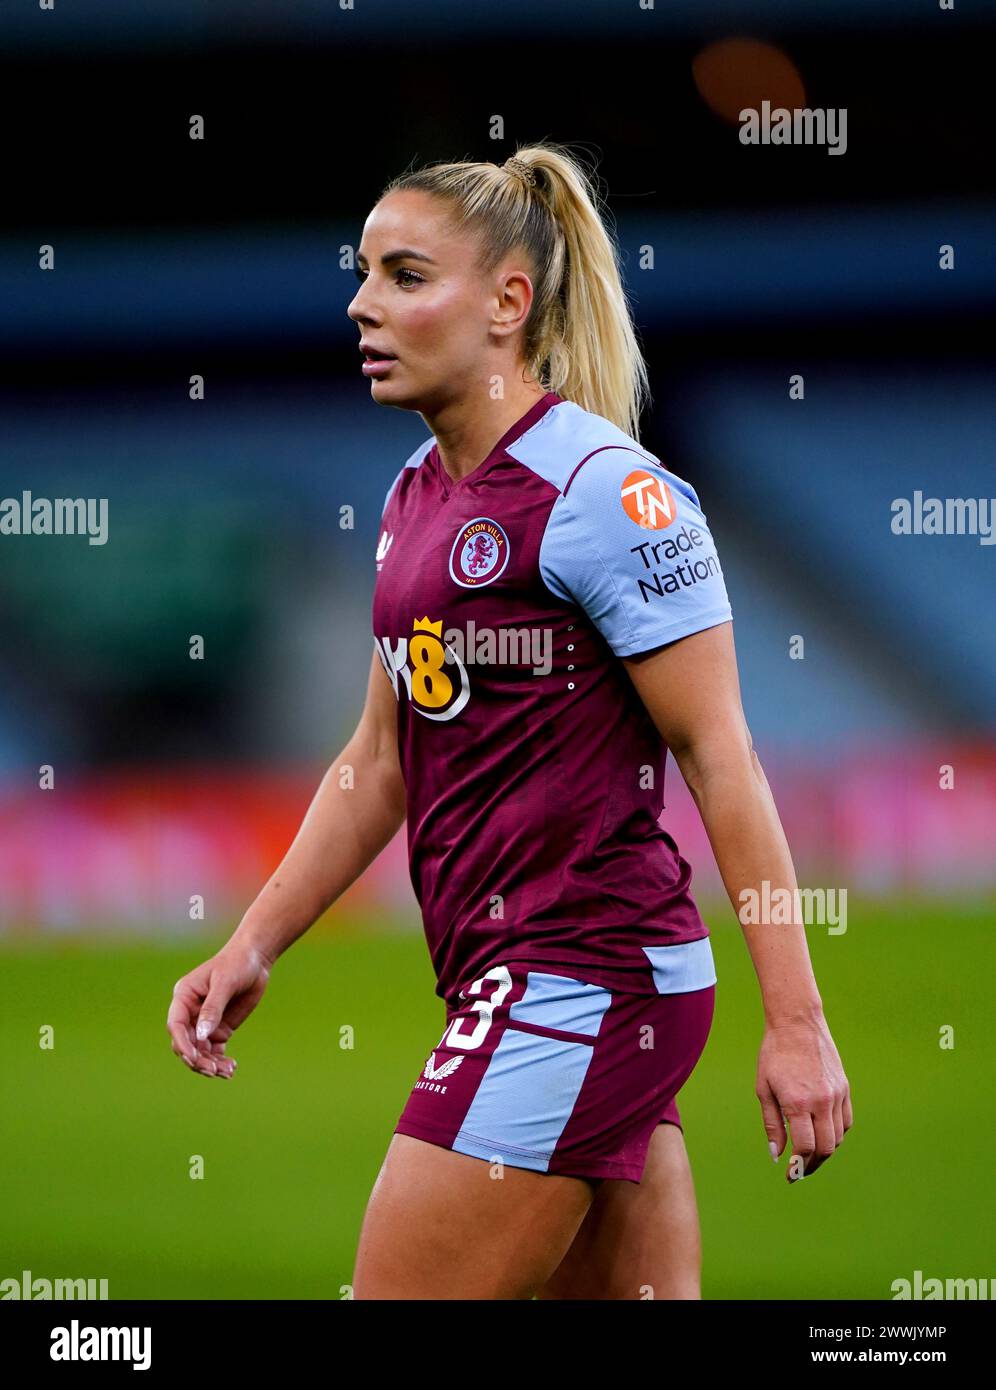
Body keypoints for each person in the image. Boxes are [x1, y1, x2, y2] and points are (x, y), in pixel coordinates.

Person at [166, 142, 851, 1300]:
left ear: (508, 303)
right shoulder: (413, 497)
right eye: (366, 272)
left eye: (404, 274)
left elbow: (719, 754)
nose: (361, 302)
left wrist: (798, 1024)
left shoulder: (604, 494)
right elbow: (379, 760)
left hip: (578, 979)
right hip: (544, 981)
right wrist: (255, 940)